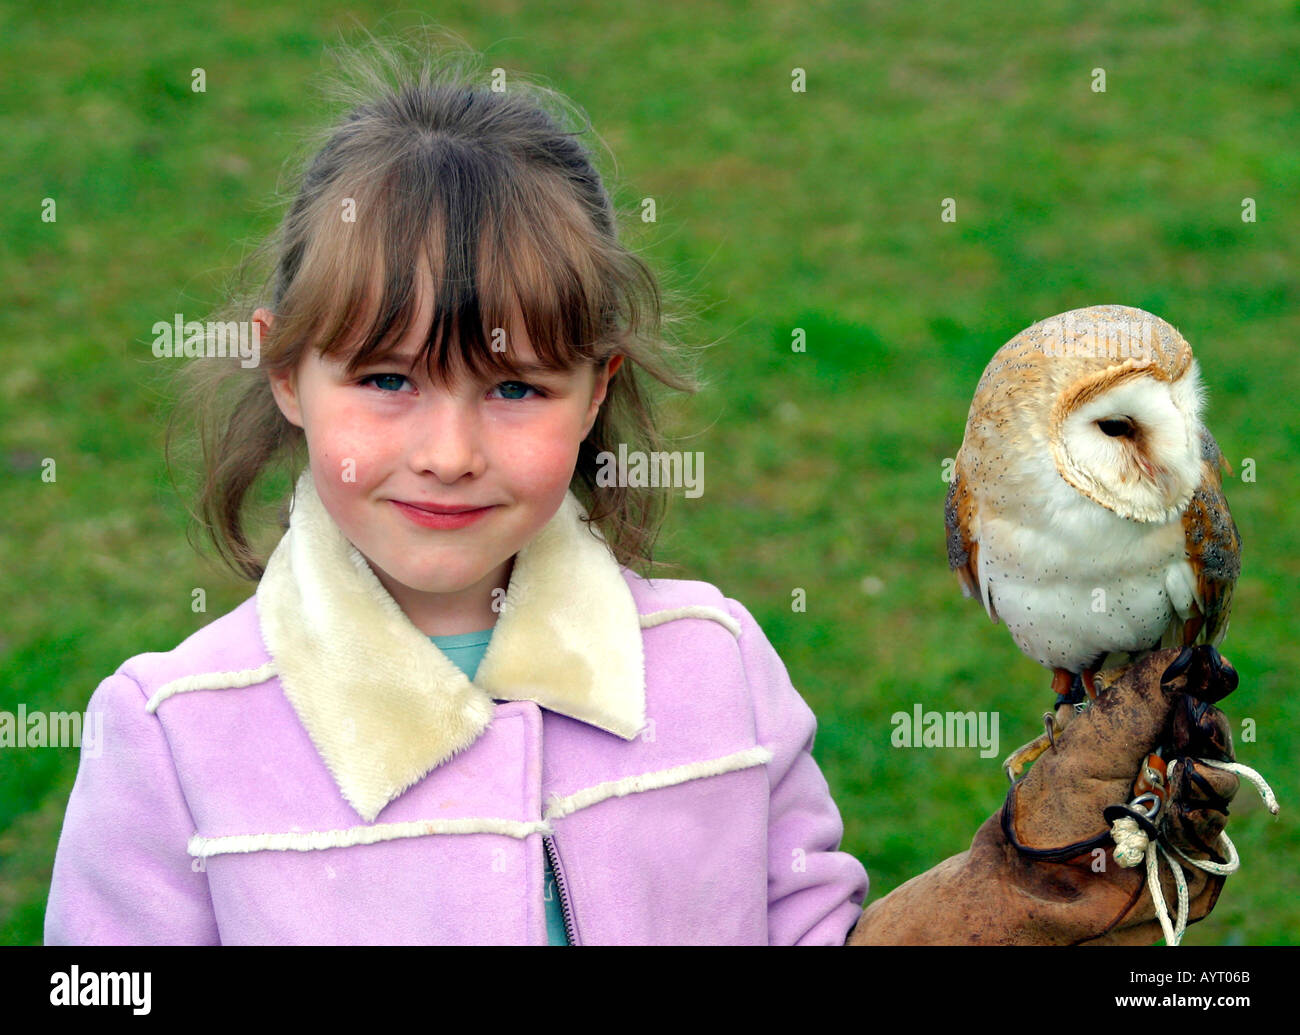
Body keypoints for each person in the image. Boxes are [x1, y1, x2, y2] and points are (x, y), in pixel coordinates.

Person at [44, 38, 1242, 946]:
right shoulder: (171, 736)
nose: (450, 450)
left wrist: (1010, 898)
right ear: (285, 373)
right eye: (389, 379)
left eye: (514, 390)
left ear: (596, 384)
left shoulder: (714, 666)